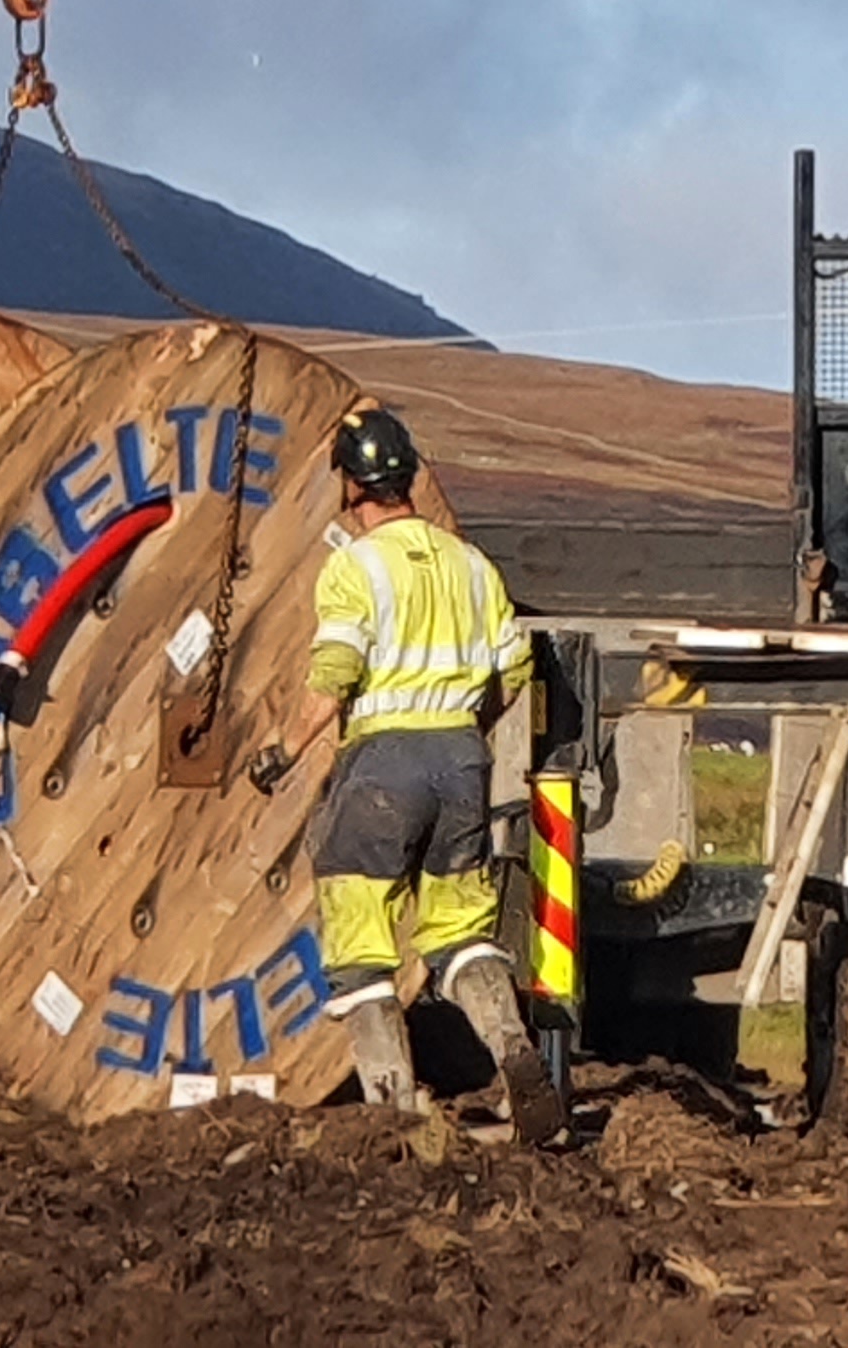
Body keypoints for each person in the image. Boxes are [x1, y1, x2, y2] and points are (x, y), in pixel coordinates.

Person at [299, 405, 566, 1144]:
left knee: (360, 944)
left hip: (382, 764)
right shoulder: (472, 565)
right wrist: (469, 729)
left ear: (352, 487)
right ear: (410, 476)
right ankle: (511, 1046)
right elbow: (515, 667)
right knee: (460, 933)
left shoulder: (354, 567)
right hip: (460, 759)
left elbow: (334, 673)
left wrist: (284, 752)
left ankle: (393, 1110)